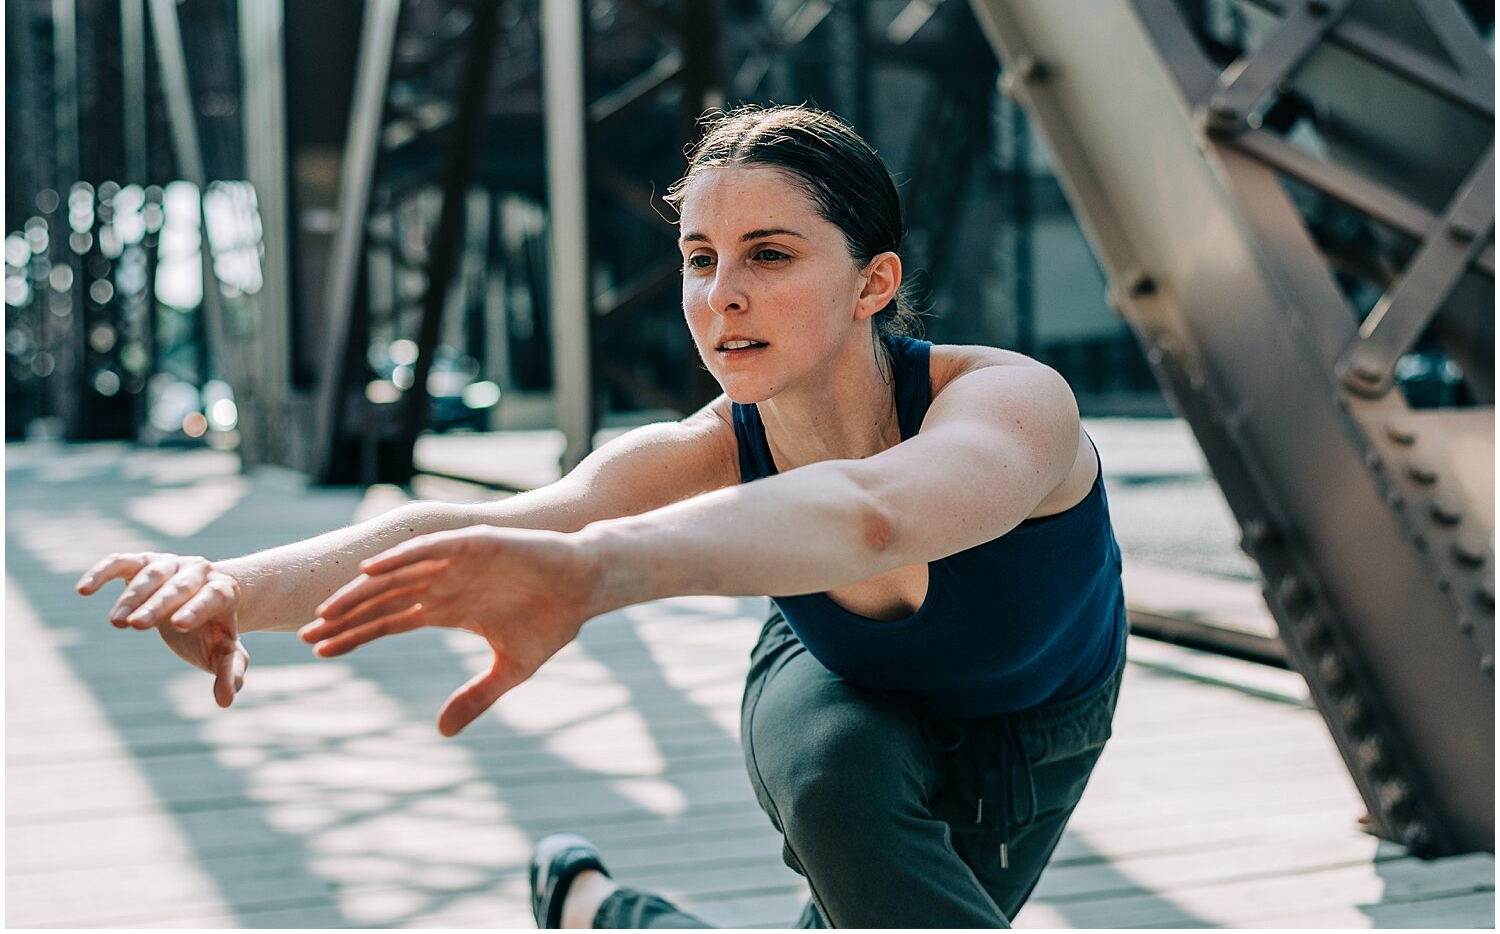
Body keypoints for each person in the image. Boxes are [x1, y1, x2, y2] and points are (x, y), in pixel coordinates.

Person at [76, 105, 1126, 929]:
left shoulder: (1010, 403)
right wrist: (235, 586)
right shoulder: (712, 441)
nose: (723, 295)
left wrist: (597, 571)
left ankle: (601, 913)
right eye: (700, 258)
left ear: (872, 282)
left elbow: (873, 515)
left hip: (1031, 714)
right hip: (833, 686)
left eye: (770, 254)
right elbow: (537, 513)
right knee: (832, 776)